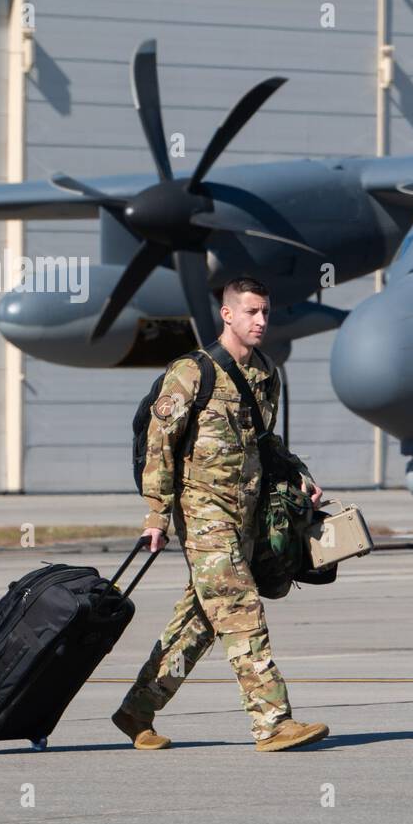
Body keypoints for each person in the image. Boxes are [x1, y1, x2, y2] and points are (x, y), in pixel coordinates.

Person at [112, 276, 329, 753]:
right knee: (239, 607)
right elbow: (159, 444)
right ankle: (272, 721)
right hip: (203, 513)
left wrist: (299, 474)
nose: (261, 321)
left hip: (246, 513)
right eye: (251, 312)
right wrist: (156, 516)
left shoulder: (265, 373)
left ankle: (136, 710)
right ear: (227, 315)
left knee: (201, 619)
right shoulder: (193, 371)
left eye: (266, 312)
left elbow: (265, 442)